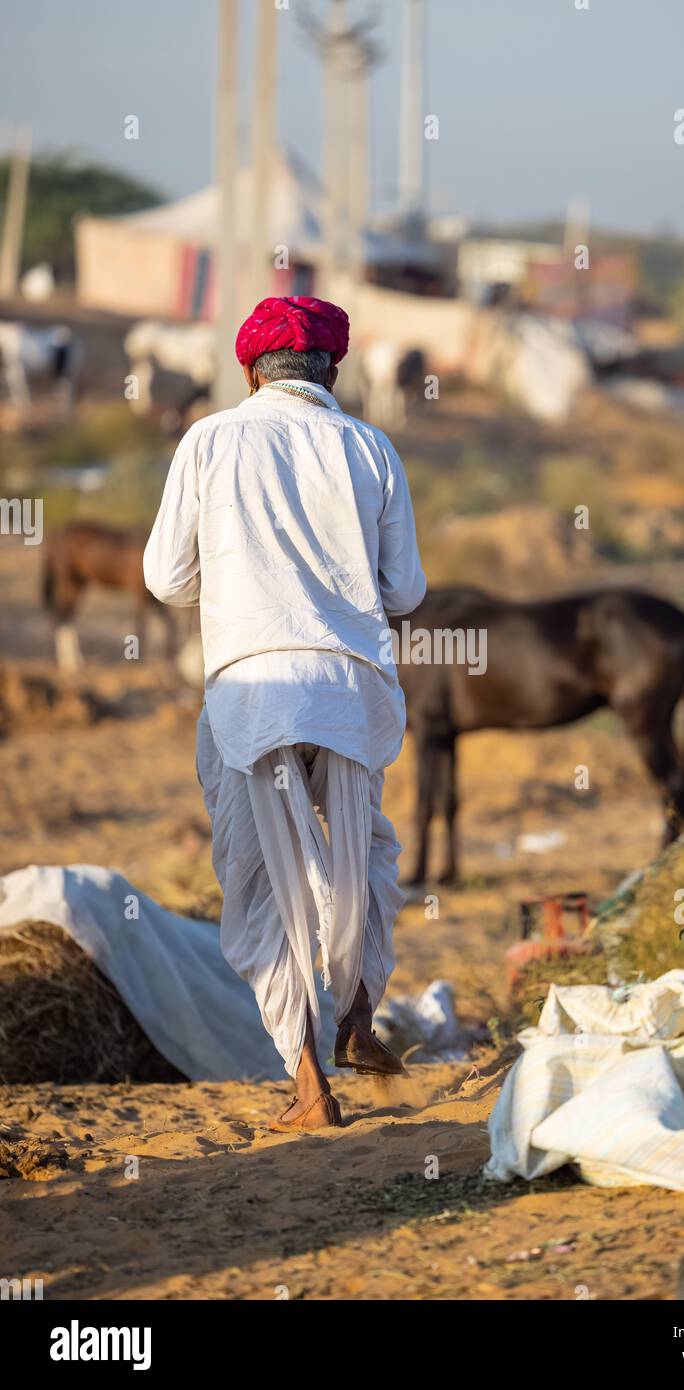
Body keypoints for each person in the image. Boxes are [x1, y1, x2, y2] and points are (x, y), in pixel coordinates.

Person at [143, 295, 426, 1130]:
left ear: (248, 371)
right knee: (364, 855)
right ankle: (359, 1021)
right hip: (348, 687)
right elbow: (404, 589)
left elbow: (166, 578)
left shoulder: (209, 438)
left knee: (261, 883)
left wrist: (234, 582)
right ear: (333, 371)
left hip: (249, 691)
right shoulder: (370, 445)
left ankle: (309, 1088)